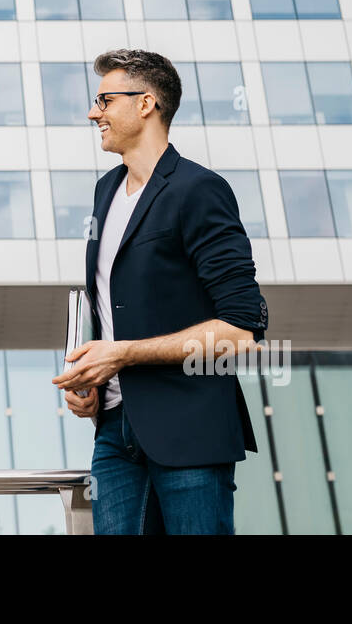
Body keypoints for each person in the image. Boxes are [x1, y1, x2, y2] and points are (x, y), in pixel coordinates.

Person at [52, 49, 268, 534]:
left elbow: (241, 328)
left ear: (146, 103)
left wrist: (123, 355)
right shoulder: (105, 191)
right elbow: (115, 310)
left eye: (104, 99)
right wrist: (94, 382)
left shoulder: (198, 189)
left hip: (189, 426)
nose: (94, 112)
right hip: (112, 432)